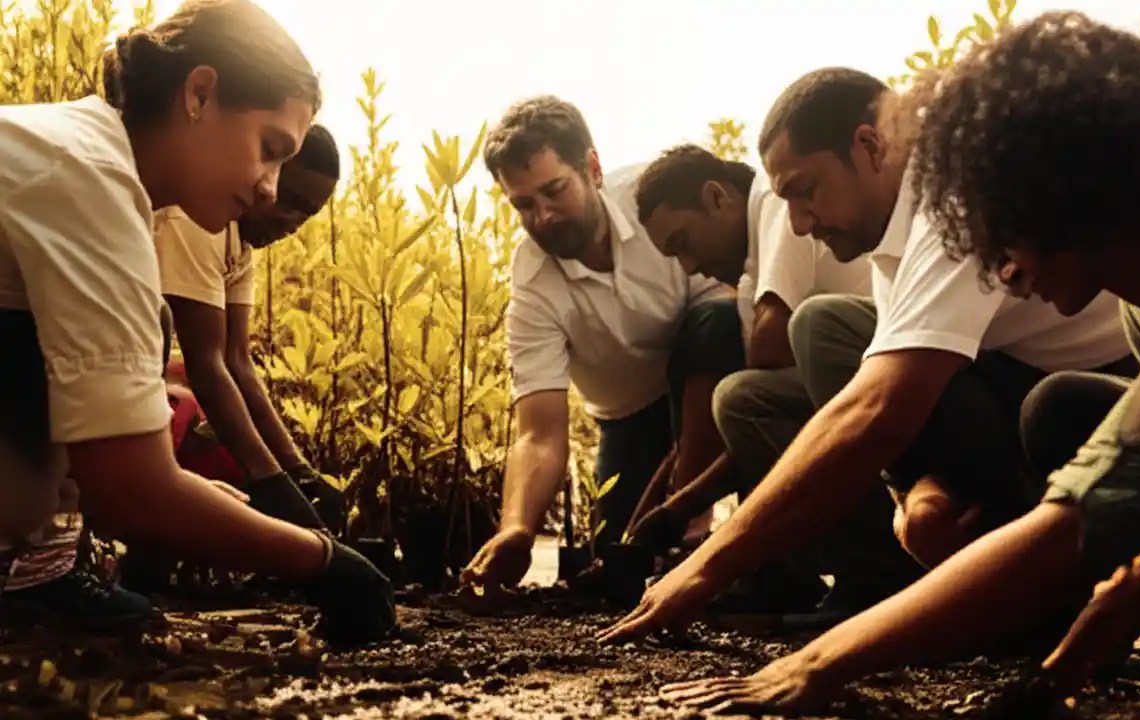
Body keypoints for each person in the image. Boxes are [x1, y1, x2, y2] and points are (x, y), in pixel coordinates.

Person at [652, 12, 1140, 714]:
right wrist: (1082, 642)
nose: (1002, 271)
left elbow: (1075, 521)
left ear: (1073, 193)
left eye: (1005, 226)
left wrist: (821, 663)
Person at [599, 64, 1137, 643]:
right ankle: (903, 577)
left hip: (1097, 391)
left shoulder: (953, 198)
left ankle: (1022, 594)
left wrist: (707, 566)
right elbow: (890, 401)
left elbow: (880, 409)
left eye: (806, 192)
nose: (801, 224)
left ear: (869, 145)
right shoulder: (888, 249)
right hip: (1010, 383)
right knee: (794, 360)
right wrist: (917, 491)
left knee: (829, 333)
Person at [0, 0, 393, 645]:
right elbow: (130, 488)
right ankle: (31, 570)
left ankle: (37, 567)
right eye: (270, 150)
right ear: (200, 93)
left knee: (139, 334)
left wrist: (212, 505)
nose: (269, 188)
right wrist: (320, 562)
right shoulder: (87, 176)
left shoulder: (93, 160)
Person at [459, 96, 742, 592]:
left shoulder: (654, 202)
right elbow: (539, 432)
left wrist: (687, 496)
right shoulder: (532, 282)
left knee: (716, 322)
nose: (543, 216)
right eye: (523, 204)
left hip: (710, 384)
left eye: (554, 190)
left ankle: (744, 559)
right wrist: (517, 529)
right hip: (629, 418)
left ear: (591, 167)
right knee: (621, 563)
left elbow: (732, 309)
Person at [626, 144, 920, 616]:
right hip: (872, 401)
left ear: (717, 196)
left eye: (682, 241)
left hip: (905, 394)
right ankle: (815, 574)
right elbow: (758, 426)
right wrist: (679, 509)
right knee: (743, 400)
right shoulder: (747, 283)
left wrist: (691, 515)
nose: (687, 266)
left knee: (740, 395)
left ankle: (878, 571)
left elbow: (765, 359)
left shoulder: (774, 199)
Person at [155, 123, 346, 534]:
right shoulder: (199, 219)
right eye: (291, 200)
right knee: (187, 402)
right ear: (266, 177)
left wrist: (300, 472)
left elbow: (237, 361)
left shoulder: (241, 244)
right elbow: (205, 363)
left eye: (308, 213)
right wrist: (271, 480)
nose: (294, 220)